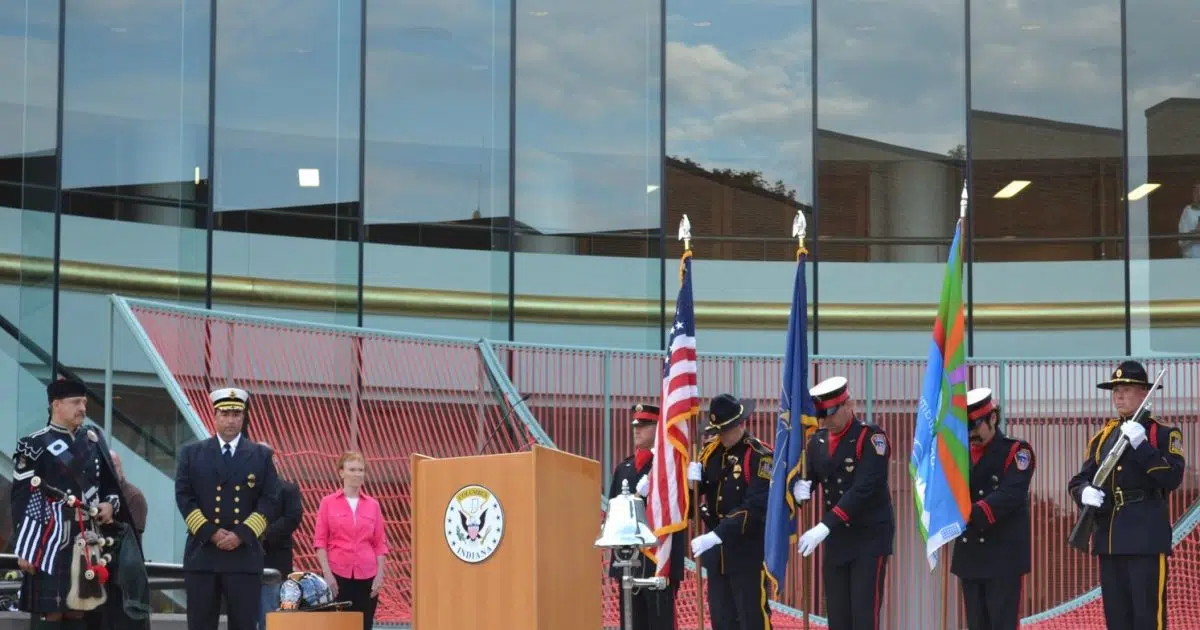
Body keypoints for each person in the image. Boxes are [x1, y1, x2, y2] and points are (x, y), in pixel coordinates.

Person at [10, 379, 139, 630]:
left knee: (80, 612)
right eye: (76, 402)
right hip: (48, 541)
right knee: (52, 613)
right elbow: (21, 499)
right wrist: (25, 548)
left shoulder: (94, 441)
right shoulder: (34, 444)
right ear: (56, 405)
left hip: (88, 539)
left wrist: (110, 506)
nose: (83, 408)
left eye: (84, 402)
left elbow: (112, 488)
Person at [1068, 360, 1185, 630]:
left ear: (1144, 393)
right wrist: (1083, 492)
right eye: (1115, 390)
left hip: (1145, 539)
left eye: (1127, 389)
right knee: (1117, 619)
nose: (1118, 395)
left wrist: (1141, 445)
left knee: (1146, 618)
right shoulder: (1103, 438)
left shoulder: (1162, 434)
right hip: (1109, 539)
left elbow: (1172, 477)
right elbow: (1079, 480)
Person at [791, 376, 894, 630]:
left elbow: (864, 489)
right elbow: (811, 477)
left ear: (850, 404)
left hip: (868, 538)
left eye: (830, 413)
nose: (826, 421)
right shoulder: (817, 442)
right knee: (837, 616)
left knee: (863, 615)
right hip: (838, 541)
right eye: (821, 416)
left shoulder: (871, 438)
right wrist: (798, 487)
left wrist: (824, 526)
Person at [175, 387, 282, 630]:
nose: (230, 420)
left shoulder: (260, 455)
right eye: (224, 414)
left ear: (243, 417)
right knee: (200, 624)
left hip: (243, 556)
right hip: (203, 554)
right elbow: (184, 497)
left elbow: (270, 500)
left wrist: (241, 534)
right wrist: (210, 532)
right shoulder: (192, 453)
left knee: (244, 625)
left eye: (236, 414)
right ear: (215, 416)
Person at [686, 393, 773, 630]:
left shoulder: (759, 456)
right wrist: (690, 484)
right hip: (717, 557)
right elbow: (692, 503)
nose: (720, 436)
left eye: (724, 430)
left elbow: (755, 507)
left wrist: (717, 535)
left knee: (752, 620)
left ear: (740, 424)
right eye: (717, 430)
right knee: (722, 621)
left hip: (747, 553)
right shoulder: (710, 454)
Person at [950, 388, 1034, 630]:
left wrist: (968, 512)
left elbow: (1010, 494)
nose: (971, 433)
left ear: (993, 418)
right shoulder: (958, 455)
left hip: (1002, 559)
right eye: (965, 428)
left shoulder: (1017, 451)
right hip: (970, 556)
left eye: (976, 425)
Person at [607, 403, 686, 630]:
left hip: (659, 559)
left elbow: (679, 510)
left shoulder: (668, 467)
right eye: (635, 425)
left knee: (660, 623)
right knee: (631, 623)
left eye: (644, 425)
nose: (636, 430)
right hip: (628, 560)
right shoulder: (625, 468)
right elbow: (615, 515)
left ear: (658, 428)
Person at [314, 451, 388, 630]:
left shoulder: (373, 505)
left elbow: (380, 543)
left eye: (361, 470)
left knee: (364, 625)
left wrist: (379, 576)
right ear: (341, 472)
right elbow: (320, 542)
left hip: (367, 576)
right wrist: (328, 574)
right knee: (338, 625)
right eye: (352, 469)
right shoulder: (327, 503)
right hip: (338, 575)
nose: (357, 474)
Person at [258, 444, 303, 630]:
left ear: (276, 461)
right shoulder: (243, 491)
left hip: (275, 562)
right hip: (245, 563)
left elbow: (292, 517)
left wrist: (260, 535)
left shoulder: (288, 489)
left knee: (271, 614)